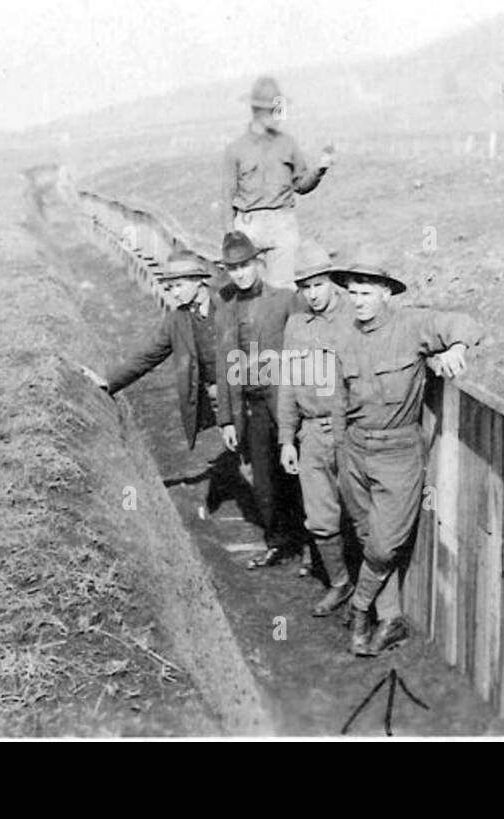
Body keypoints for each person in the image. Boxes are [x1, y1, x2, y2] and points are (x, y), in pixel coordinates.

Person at [331, 257, 483, 657]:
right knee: (367, 536)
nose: (358, 301)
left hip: (397, 454)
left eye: (366, 294)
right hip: (353, 450)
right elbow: (338, 400)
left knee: (384, 545)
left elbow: (463, 323)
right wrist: (339, 454)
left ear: (386, 294)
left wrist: (456, 347)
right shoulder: (345, 336)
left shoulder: (410, 326)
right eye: (352, 293)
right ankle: (392, 618)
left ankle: (361, 607)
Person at [277, 240, 360, 615]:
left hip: (352, 432)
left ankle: (368, 594)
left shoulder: (355, 316)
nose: (312, 294)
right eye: (305, 287)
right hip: (311, 433)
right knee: (321, 518)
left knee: (361, 513)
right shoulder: (296, 325)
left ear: (332, 281)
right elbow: (288, 385)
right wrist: (286, 440)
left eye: (318, 284)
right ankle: (340, 583)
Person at [215, 230, 307, 568]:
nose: (239, 273)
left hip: (283, 402)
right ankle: (278, 541)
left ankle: (308, 545)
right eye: (232, 268)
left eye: (244, 265)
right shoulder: (224, 305)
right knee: (264, 479)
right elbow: (225, 361)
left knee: (294, 473)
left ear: (257, 263)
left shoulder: (285, 300)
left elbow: (305, 345)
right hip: (250, 406)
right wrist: (226, 418)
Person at [94, 252, 220, 451]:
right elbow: (149, 355)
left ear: (198, 281)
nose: (175, 293)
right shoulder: (177, 320)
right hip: (215, 397)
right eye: (171, 288)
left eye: (179, 286)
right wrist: (110, 381)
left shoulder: (228, 305)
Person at [221, 76, 333, 289]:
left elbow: (300, 185)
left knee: (284, 290)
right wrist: (229, 236)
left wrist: (319, 170)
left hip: (282, 223)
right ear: (257, 111)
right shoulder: (236, 149)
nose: (279, 116)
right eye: (274, 110)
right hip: (248, 225)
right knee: (249, 290)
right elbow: (227, 194)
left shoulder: (287, 144)